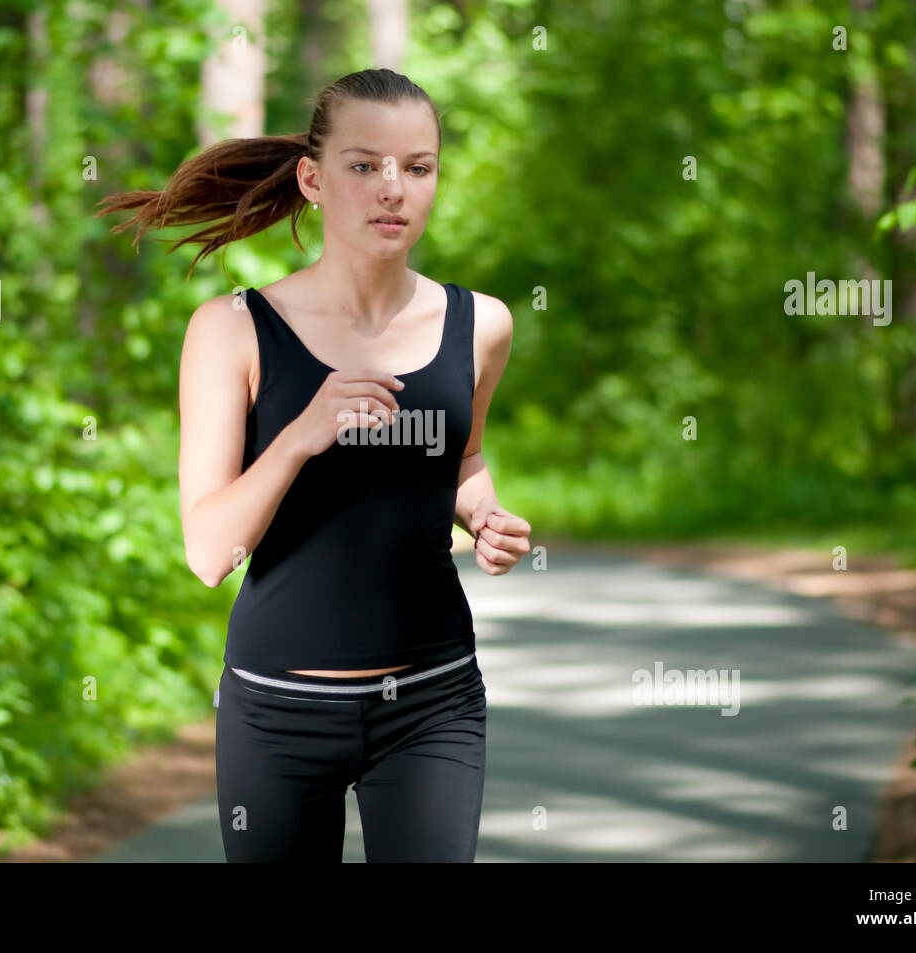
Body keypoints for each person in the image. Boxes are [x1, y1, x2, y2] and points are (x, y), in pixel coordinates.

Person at [97, 68, 531, 862]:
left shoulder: (482, 325)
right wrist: (302, 432)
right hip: (278, 712)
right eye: (364, 165)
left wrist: (486, 515)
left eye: (418, 167)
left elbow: (464, 459)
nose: (393, 189)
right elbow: (207, 553)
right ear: (313, 179)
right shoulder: (232, 330)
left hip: (433, 703)